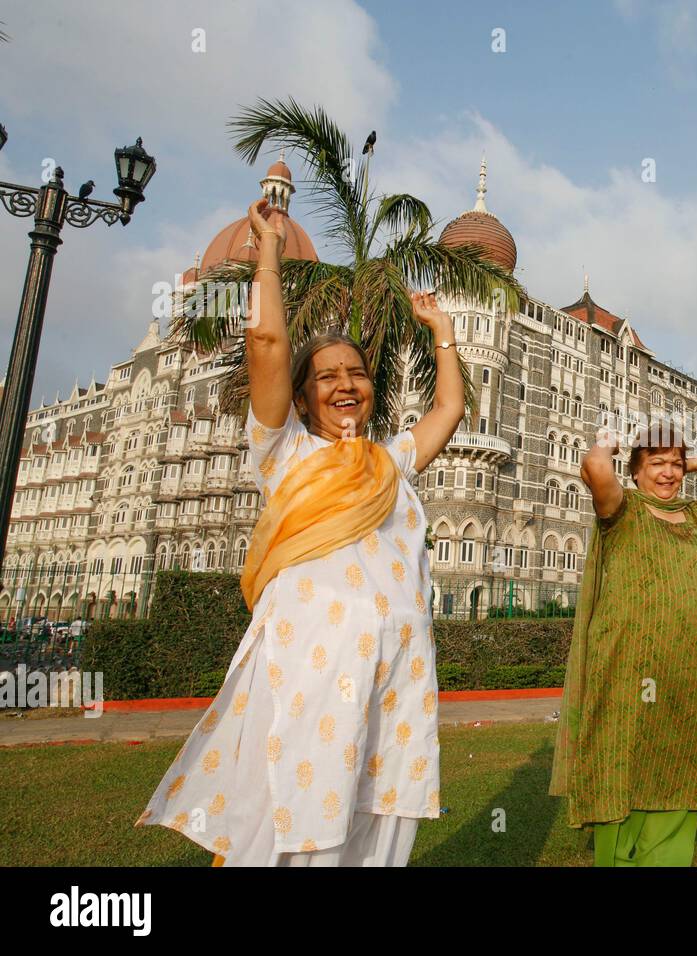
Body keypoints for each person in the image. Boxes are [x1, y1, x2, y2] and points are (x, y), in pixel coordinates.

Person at [138, 197, 464, 866]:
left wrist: (443, 333)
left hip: (399, 669)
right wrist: (265, 253)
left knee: (384, 803)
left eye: (357, 373)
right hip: (313, 668)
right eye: (326, 377)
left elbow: (450, 407)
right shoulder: (284, 451)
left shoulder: (389, 460)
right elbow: (266, 342)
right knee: (307, 805)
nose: (346, 386)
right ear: (303, 392)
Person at [550, 417, 697, 866]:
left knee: (681, 759)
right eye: (657, 464)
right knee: (619, 754)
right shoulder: (619, 510)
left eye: (676, 465)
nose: (669, 473)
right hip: (625, 666)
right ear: (636, 471)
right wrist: (605, 445)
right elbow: (596, 469)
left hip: (688, 668)